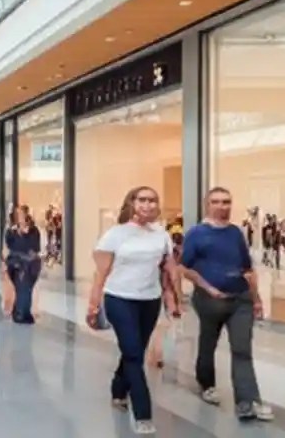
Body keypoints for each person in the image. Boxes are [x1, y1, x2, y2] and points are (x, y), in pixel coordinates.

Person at [87, 187, 183, 436]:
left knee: (135, 350)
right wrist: (93, 304)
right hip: (119, 298)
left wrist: (174, 300)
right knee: (133, 353)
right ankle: (143, 413)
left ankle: (118, 390)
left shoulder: (161, 234)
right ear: (131, 202)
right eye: (142, 200)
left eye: (153, 200)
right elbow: (101, 274)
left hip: (149, 300)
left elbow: (167, 270)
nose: (148, 205)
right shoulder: (115, 235)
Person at [181, 187, 272, 421]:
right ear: (207, 205)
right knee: (208, 343)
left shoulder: (235, 233)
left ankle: (248, 401)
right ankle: (207, 384)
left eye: (227, 202)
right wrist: (209, 288)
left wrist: (257, 299)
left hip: (240, 299)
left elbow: (247, 269)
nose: (223, 206)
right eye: (217, 202)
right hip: (210, 300)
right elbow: (184, 268)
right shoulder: (196, 234)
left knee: (242, 350)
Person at [5, 205, 41, 324]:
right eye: (17, 215)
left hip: (31, 264)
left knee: (26, 286)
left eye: (22, 214)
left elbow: (35, 248)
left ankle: (22, 310)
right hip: (16, 263)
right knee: (22, 283)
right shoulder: (11, 232)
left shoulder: (34, 231)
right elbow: (9, 247)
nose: (20, 217)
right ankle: (20, 312)